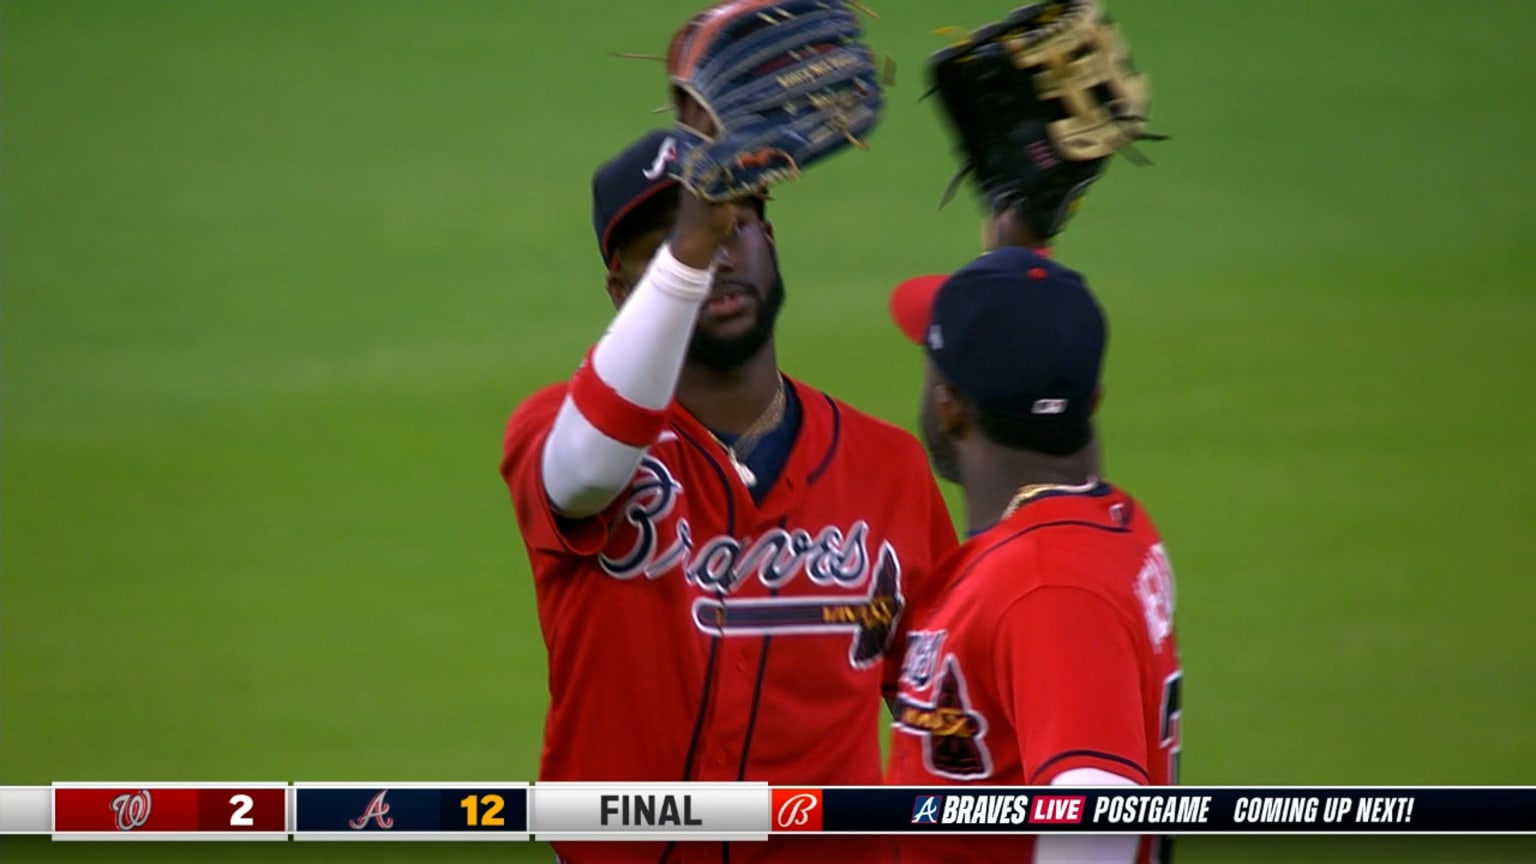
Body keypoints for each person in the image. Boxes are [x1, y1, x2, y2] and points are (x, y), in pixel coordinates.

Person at [498, 125, 957, 864]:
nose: (717, 249)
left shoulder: (889, 468)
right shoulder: (556, 430)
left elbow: (945, 707)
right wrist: (693, 248)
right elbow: (585, 473)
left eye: (739, 224)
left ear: (772, 242)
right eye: (672, 240)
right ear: (621, 290)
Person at [884, 245, 1184, 864]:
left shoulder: (1048, 587)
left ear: (948, 405)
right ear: (1093, 398)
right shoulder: (1108, 524)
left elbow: (1099, 818)